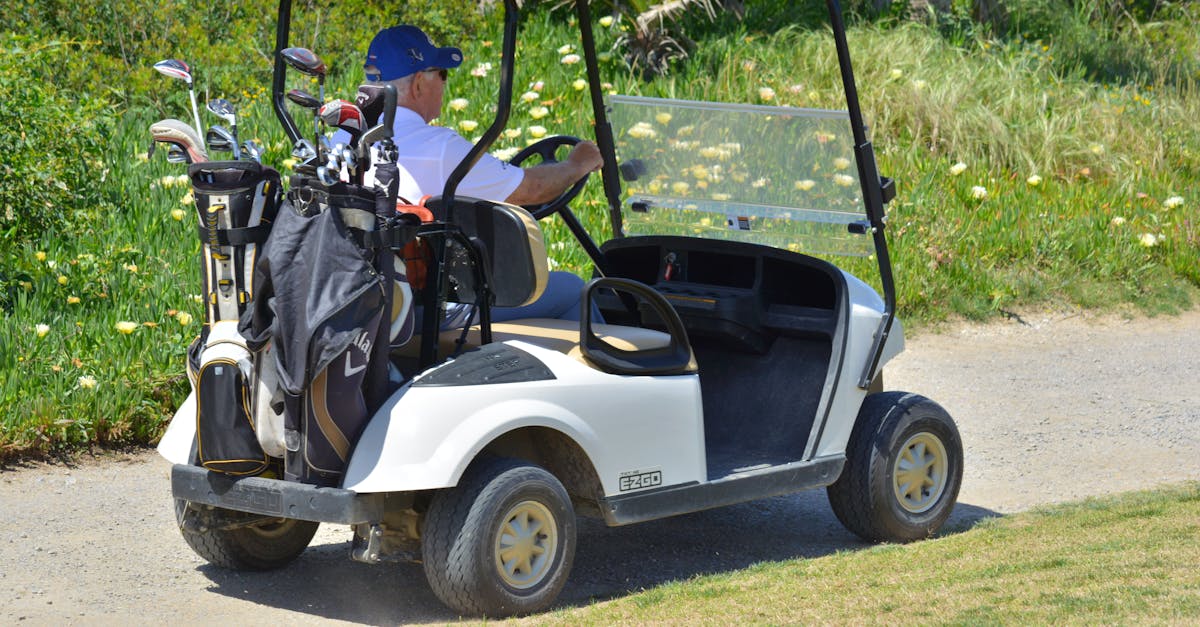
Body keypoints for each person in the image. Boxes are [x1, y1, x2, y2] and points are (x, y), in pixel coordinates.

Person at [360, 24, 604, 328]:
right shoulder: (439, 148)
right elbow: (532, 190)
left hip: (369, 302)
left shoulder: (345, 141)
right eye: (443, 75)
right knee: (574, 289)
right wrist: (577, 165)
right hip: (428, 310)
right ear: (419, 84)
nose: (445, 85)